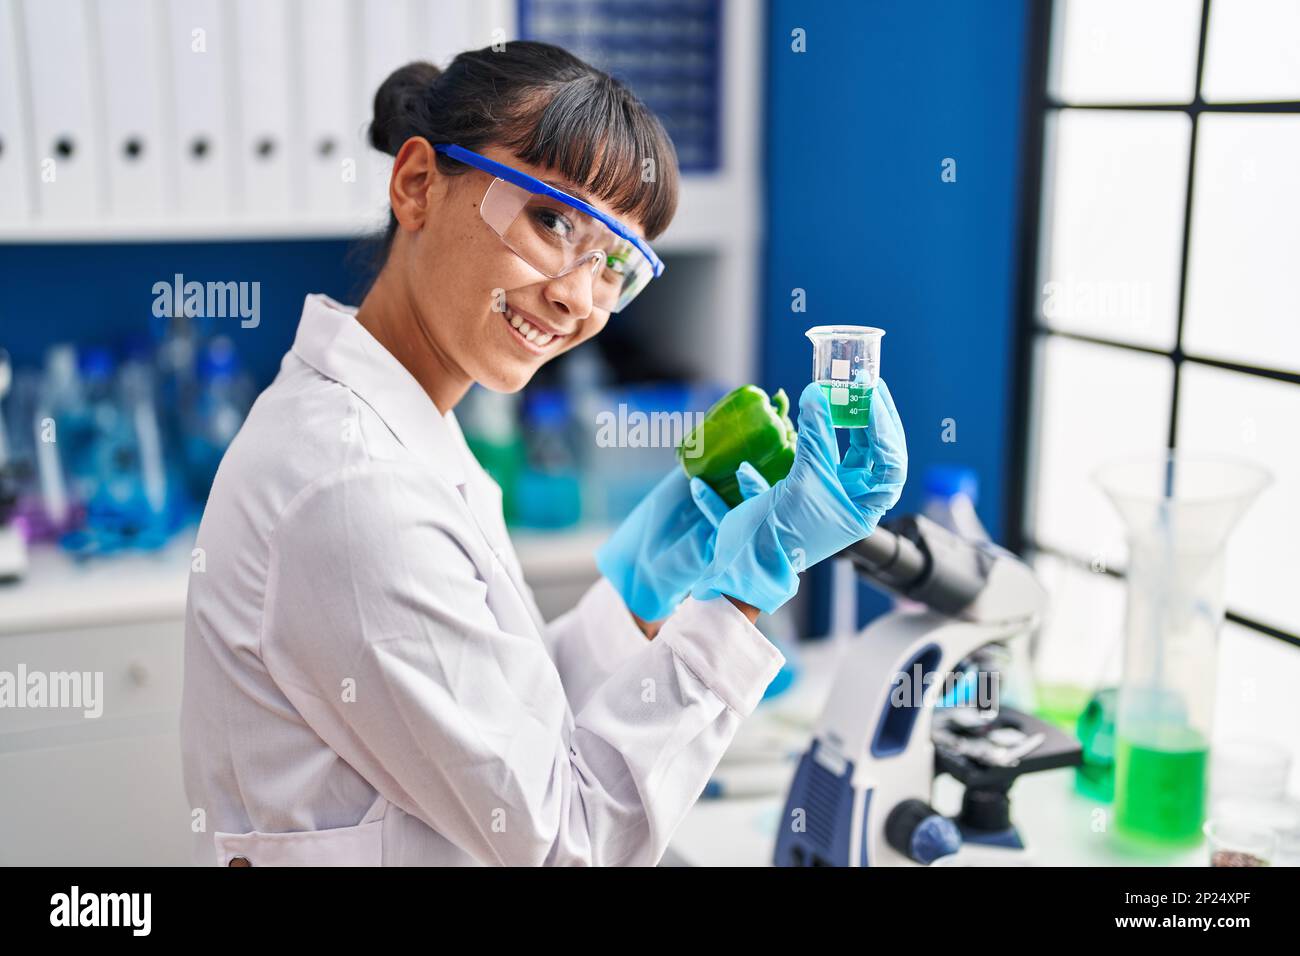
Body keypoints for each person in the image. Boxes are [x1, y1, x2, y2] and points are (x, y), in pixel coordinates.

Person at [179, 42, 907, 866]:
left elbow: (508, 726)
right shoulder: (352, 487)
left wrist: (642, 592)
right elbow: (567, 841)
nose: (576, 296)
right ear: (418, 183)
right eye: (551, 220)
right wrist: (740, 597)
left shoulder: (406, 422)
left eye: (615, 266)